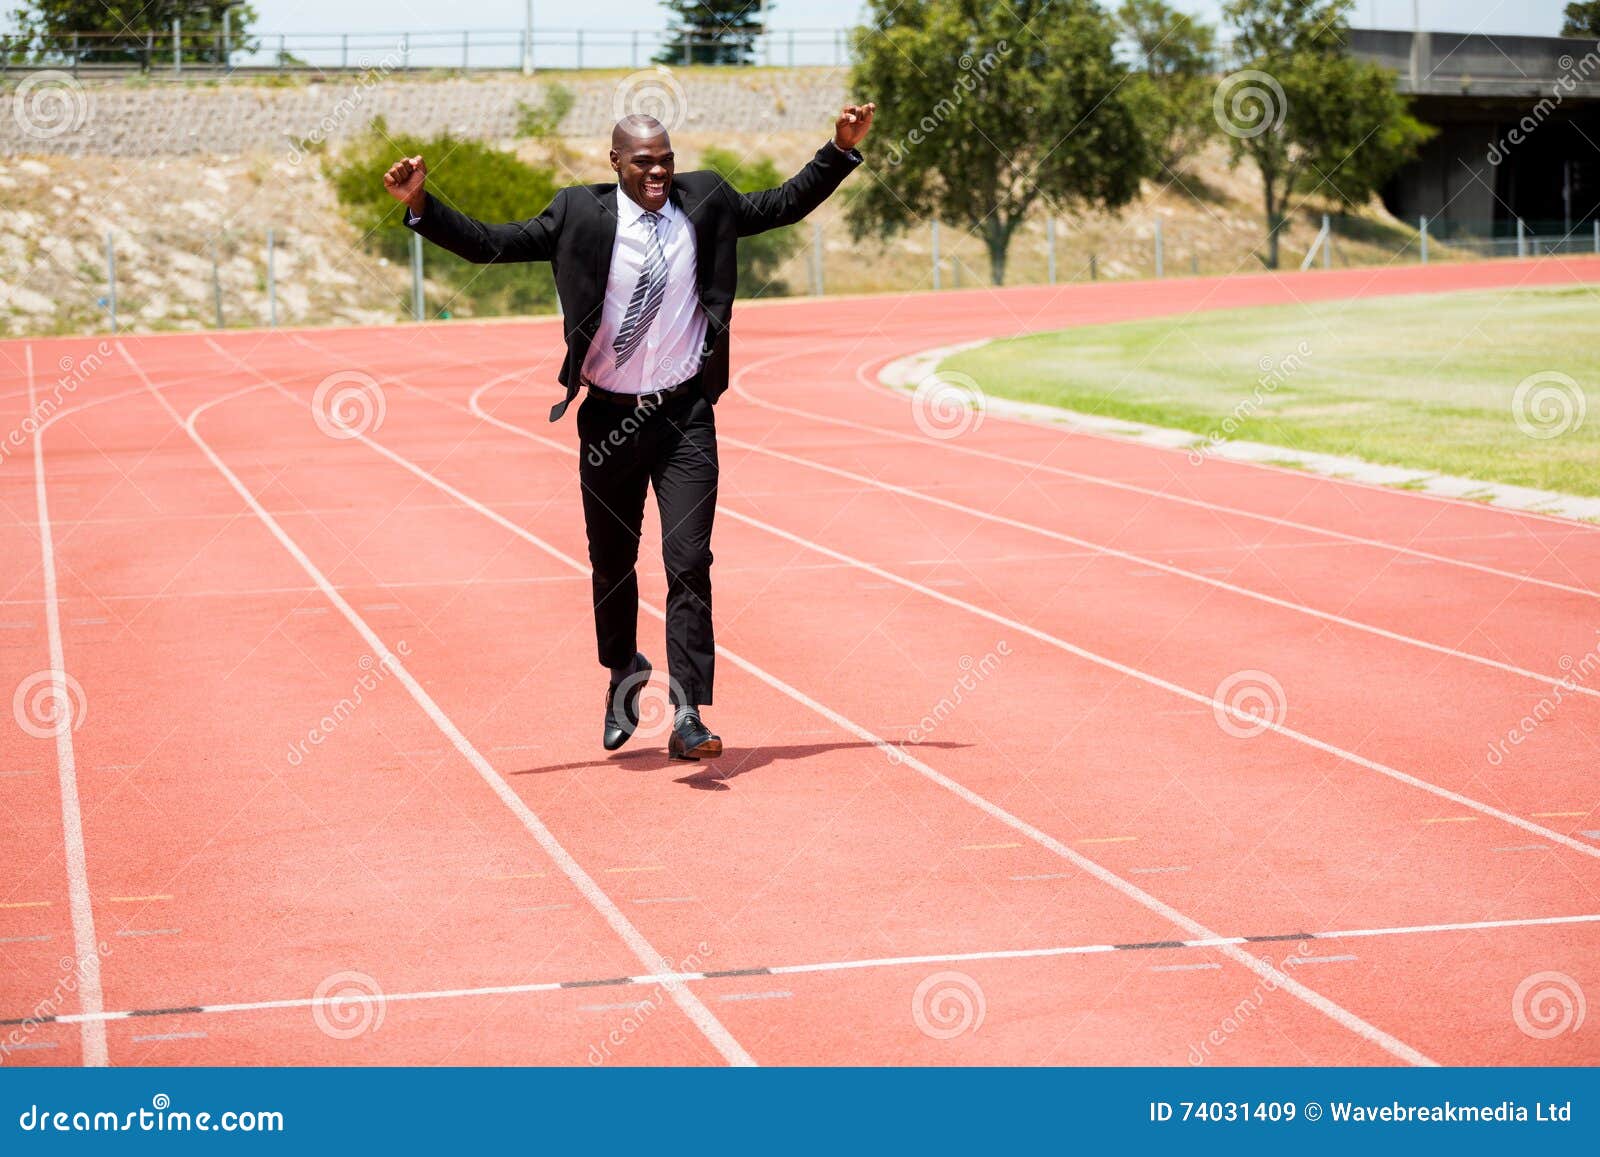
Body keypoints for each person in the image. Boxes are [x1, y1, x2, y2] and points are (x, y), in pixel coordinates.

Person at [384, 102, 876, 761]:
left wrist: (837, 151)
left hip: (683, 417)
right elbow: (491, 244)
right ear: (615, 162)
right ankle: (624, 668)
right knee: (613, 564)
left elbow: (783, 204)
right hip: (609, 420)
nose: (658, 171)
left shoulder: (707, 200)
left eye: (666, 160)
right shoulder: (578, 213)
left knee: (689, 561)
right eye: (643, 161)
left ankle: (689, 714)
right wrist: (421, 203)